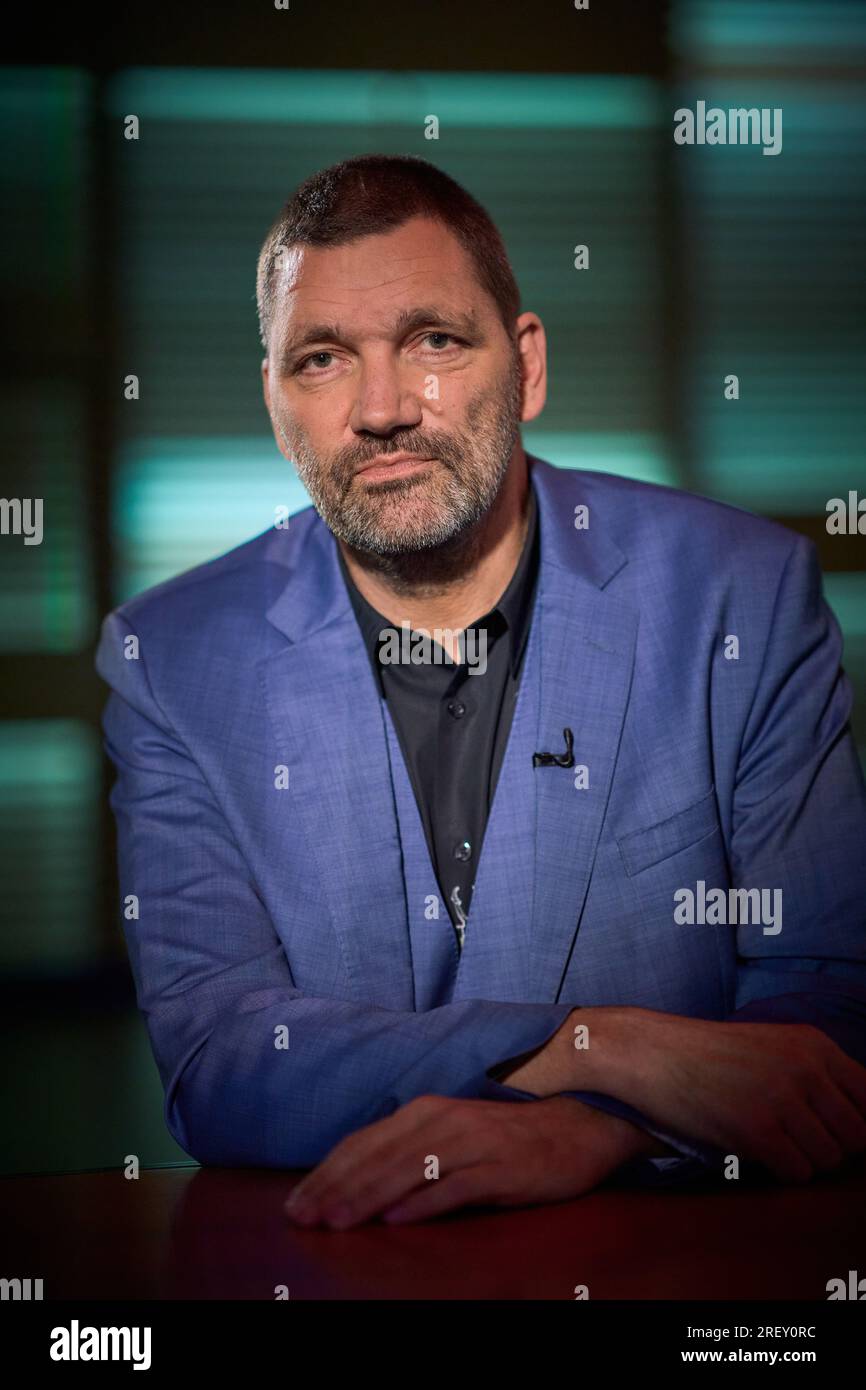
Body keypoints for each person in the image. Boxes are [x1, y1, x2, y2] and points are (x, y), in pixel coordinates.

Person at [96, 154, 866, 1230]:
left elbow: (830, 1015)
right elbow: (221, 1061)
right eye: (320, 359)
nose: (379, 409)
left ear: (527, 365)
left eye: (433, 342)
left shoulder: (739, 595)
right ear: (274, 402)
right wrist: (607, 1042)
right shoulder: (168, 659)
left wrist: (599, 1126)